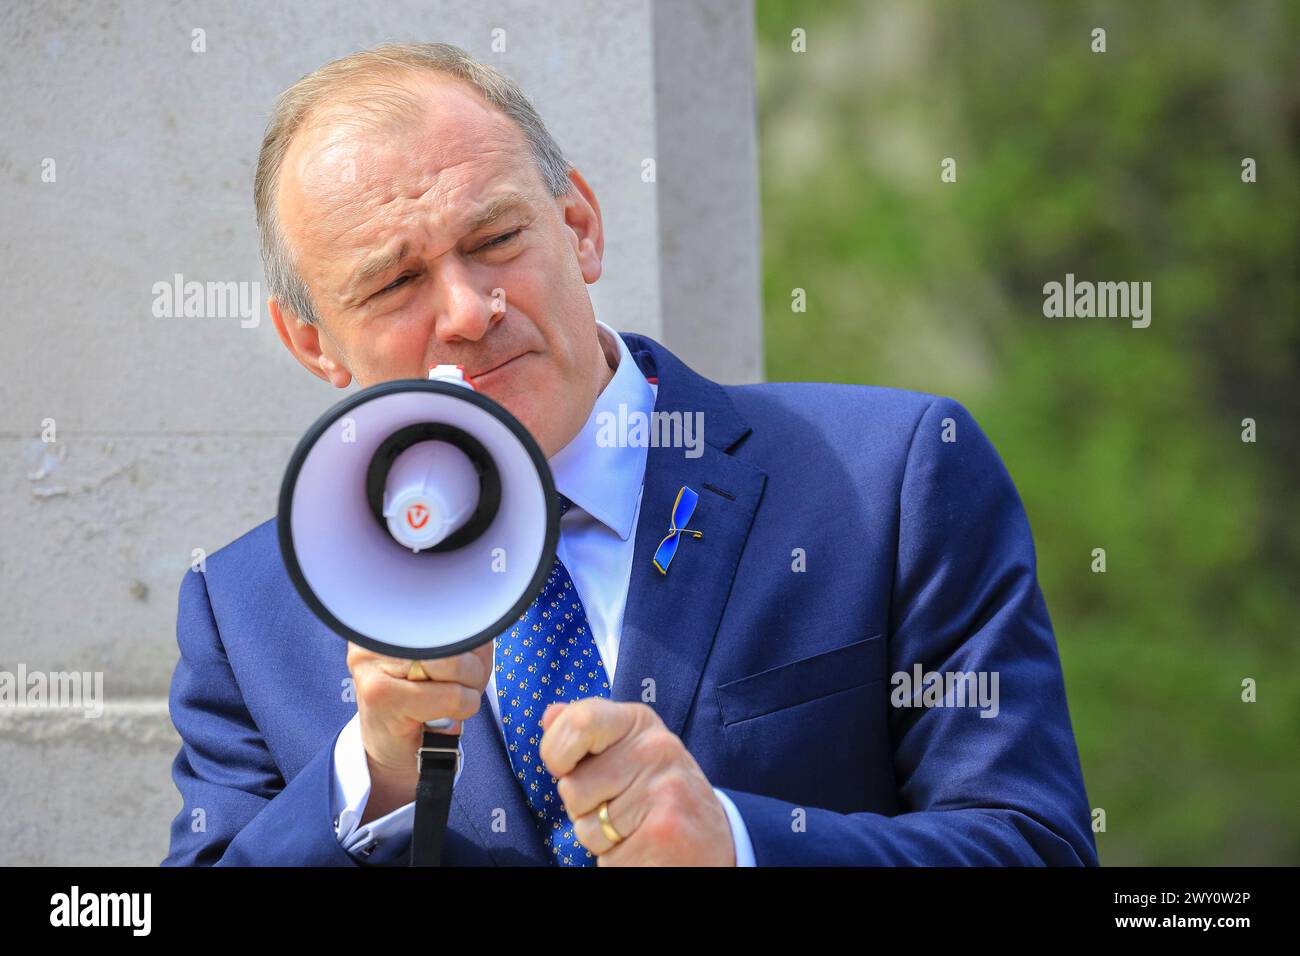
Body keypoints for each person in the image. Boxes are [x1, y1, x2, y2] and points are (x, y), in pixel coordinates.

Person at [162, 42, 1098, 867]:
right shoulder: (250, 616)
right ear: (313, 344)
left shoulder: (889, 478)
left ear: (580, 227)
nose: (467, 312)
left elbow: (1035, 847)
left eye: (495, 239)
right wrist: (371, 781)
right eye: (394, 282)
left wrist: (736, 846)